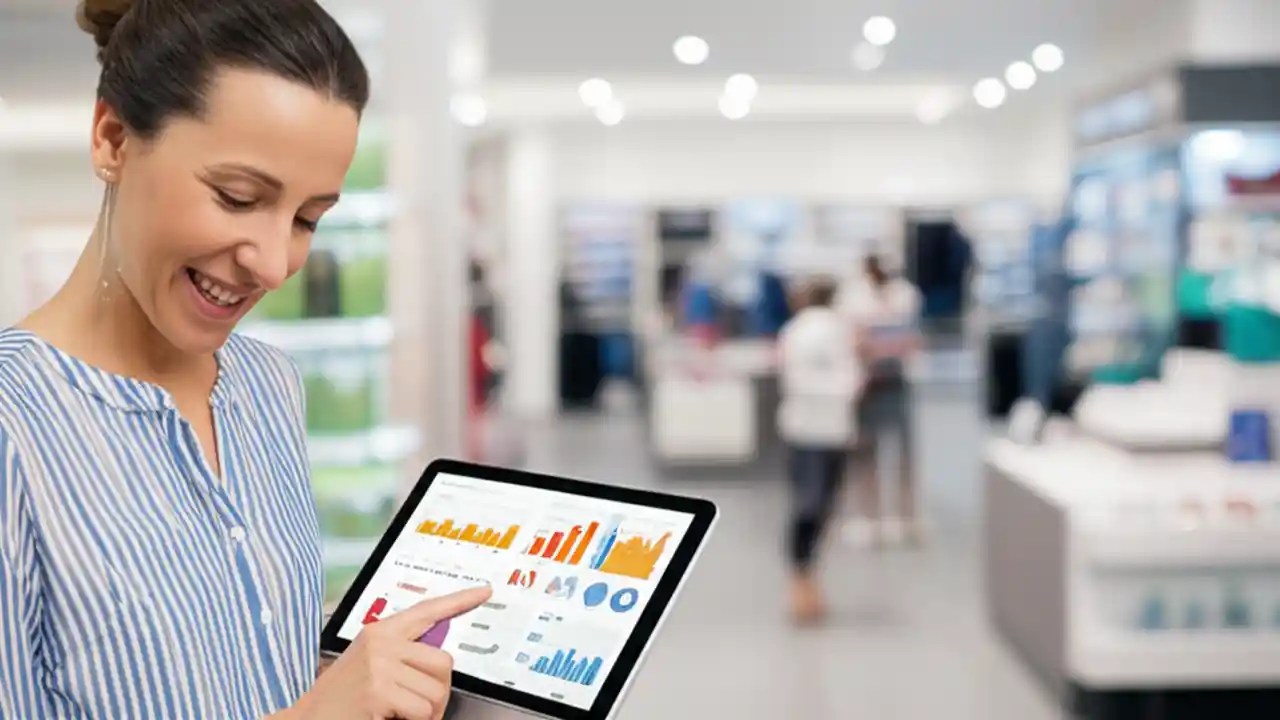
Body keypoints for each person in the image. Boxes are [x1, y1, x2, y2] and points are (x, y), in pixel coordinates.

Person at [0, 2, 489, 718]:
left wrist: (363, 673)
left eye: (305, 219)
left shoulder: (267, 386)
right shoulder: (15, 427)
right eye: (238, 198)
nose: (272, 263)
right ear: (112, 139)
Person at [777, 277, 864, 623]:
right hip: (821, 431)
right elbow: (843, 379)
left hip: (812, 430)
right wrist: (846, 387)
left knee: (814, 505)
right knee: (815, 505)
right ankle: (802, 579)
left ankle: (805, 577)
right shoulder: (821, 331)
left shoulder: (798, 330)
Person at [838, 255, 925, 548]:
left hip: (897, 380)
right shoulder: (853, 296)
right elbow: (853, 339)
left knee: (904, 452)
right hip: (867, 384)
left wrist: (882, 343)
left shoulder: (906, 295)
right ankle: (869, 518)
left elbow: (912, 339)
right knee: (866, 452)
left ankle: (906, 518)